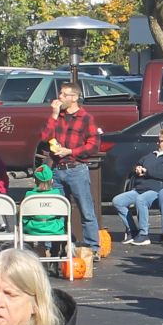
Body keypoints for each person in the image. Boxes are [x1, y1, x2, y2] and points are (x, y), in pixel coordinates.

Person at [37, 80, 102, 271]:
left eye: (63, 95)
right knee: (56, 210)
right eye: (60, 94)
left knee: (86, 209)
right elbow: (44, 137)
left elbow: (93, 144)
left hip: (76, 168)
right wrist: (54, 115)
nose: (59, 98)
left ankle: (93, 247)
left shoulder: (85, 118)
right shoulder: (58, 116)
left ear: (74, 97)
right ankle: (54, 246)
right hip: (57, 169)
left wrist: (71, 151)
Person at [114, 125, 163, 247]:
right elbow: (137, 164)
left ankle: (143, 234)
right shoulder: (151, 155)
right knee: (117, 201)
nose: (159, 143)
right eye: (159, 140)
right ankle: (132, 230)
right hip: (140, 188)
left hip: (158, 189)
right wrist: (137, 168)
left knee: (141, 200)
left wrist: (147, 171)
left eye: (162, 141)